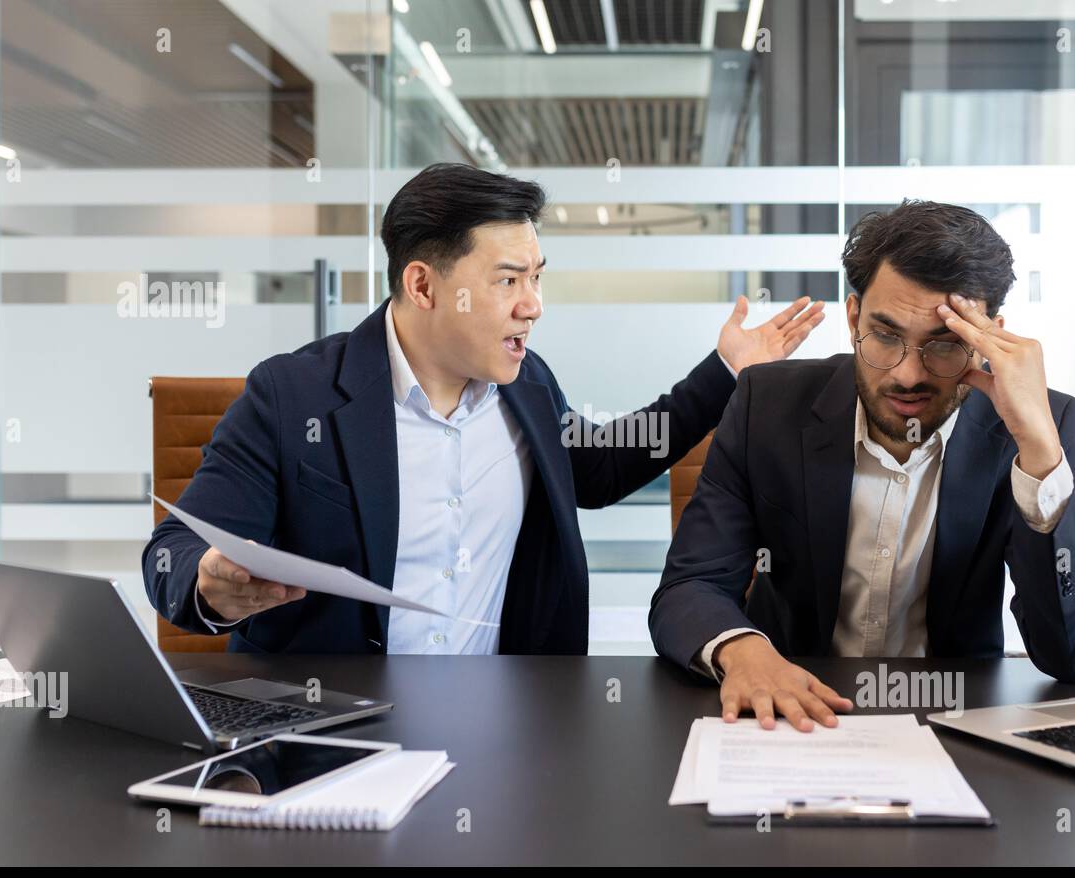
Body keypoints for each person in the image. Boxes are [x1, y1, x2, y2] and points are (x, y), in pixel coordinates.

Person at [143, 162, 825, 654]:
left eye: (537, 277)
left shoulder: (526, 387)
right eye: (508, 280)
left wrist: (729, 368)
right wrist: (211, 587)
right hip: (334, 733)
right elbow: (172, 553)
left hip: (508, 730)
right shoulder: (292, 397)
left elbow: (598, 468)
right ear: (425, 286)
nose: (534, 303)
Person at [650, 200, 1075, 730]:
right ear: (853, 319)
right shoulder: (767, 405)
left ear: (988, 336)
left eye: (944, 345)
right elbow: (690, 588)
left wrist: (1038, 450)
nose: (907, 374)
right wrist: (745, 652)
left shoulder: (1036, 424)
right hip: (790, 711)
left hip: (955, 722)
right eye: (885, 335)